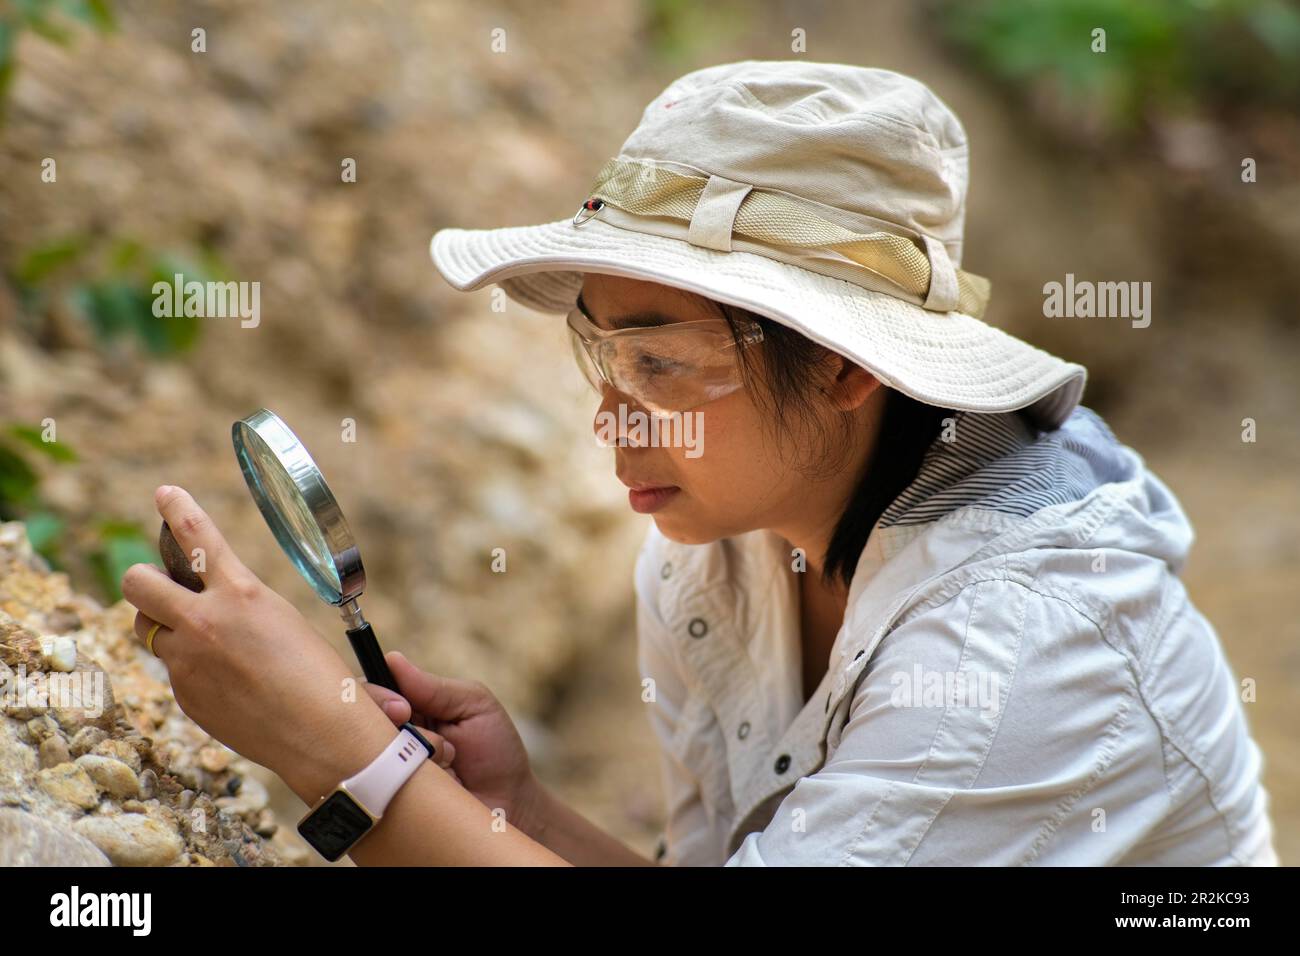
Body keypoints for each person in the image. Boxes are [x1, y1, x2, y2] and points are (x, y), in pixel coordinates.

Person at [123, 60, 1278, 865]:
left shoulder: (1022, 648)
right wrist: (515, 805)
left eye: (663, 363)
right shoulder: (717, 559)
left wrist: (339, 759)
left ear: (844, 366)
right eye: (602, 356)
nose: (610, 424)